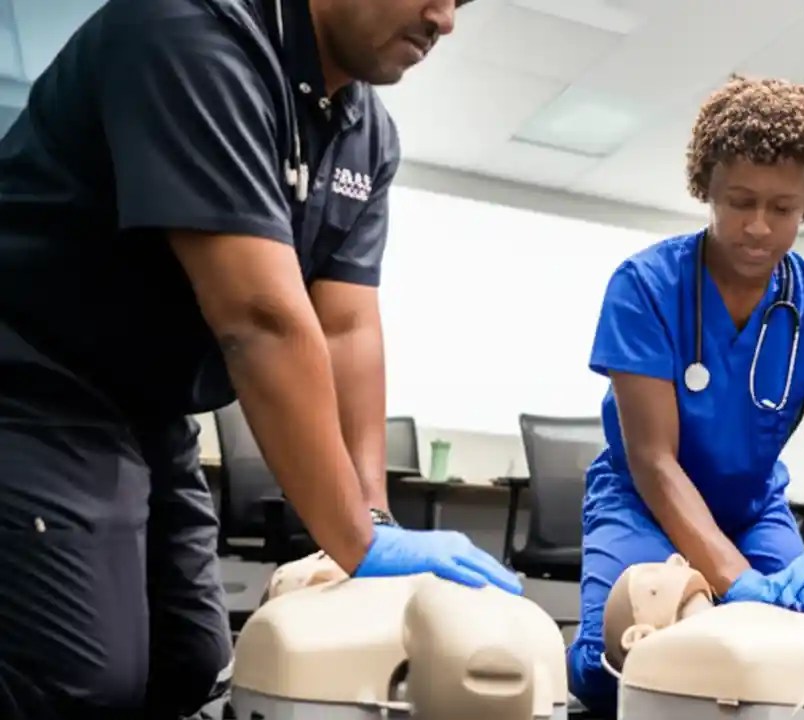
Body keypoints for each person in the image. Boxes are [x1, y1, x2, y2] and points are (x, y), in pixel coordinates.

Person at [0, 1, 519, 718]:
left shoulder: (367, 135)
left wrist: (374, 518)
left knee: (190, 663)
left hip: (150, 405)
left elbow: (345, 329)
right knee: (80, 683)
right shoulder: (186, 32)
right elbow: (260, 319)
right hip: (31, 378)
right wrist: (355, 541)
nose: (446, 18)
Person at [566, 75, 804, 716]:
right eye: (740, 202)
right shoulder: (646, 286)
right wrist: (734, 580)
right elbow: (653, 459)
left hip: (753, 509)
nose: (758, 226)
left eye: (783, 208)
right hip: (643, 503)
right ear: (706, 185)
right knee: (621, 662)